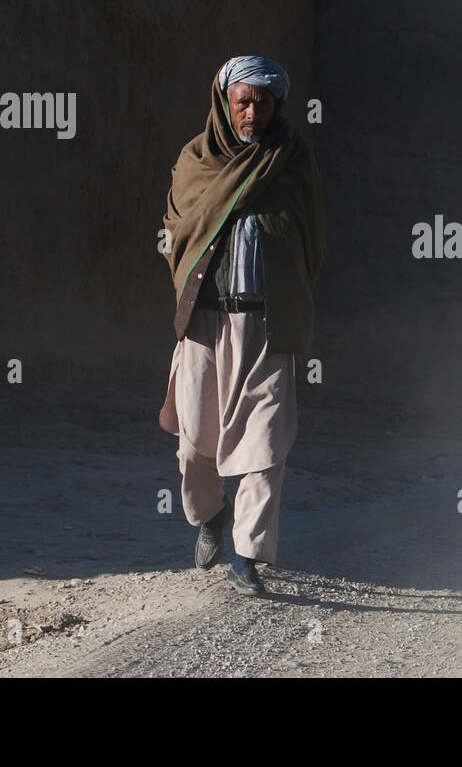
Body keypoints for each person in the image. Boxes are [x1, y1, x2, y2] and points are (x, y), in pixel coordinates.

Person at [158, 55, 324, 597]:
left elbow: (309, 239)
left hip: (268, 323)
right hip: (207, 320)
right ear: (225, 102)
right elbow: (177, 231)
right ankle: (208, 516)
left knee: (266, 443)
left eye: (264, 101)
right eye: (244, 100)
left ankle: (248, 556)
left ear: (278, 104)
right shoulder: (195, 161)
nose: (254, 111)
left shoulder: (291, 158)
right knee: (193, 443)